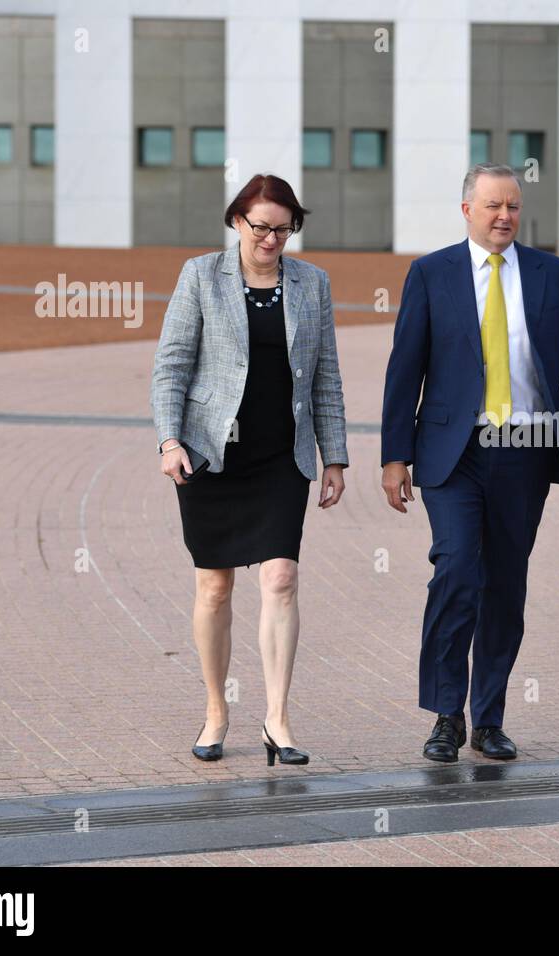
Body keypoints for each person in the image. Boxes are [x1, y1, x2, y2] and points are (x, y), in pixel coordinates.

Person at [380, 162, 559, 762]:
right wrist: (395, 456)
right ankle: (445, 715)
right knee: (456, 571)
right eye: (492, 206)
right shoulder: (431, 274)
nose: (504, 216)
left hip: (527, 451)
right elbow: (406, 368)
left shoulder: (554, 276)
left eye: (512, 206)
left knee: (505, 585)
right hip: (453, 453)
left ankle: (488, 719)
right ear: (466, 211)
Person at [150, 173, 348, 768]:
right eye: (261, 226)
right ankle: (216, 710)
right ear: (238, 221)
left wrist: (334, 455)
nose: (271, 239)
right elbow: (172, 365)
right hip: (212, 452)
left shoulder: (313, 285)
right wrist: (168, 441)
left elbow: (326, 376)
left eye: (283, 229)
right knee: (214, 586)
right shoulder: (200, 276)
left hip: (282, 456)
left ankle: (278, 719)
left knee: (281, 577)